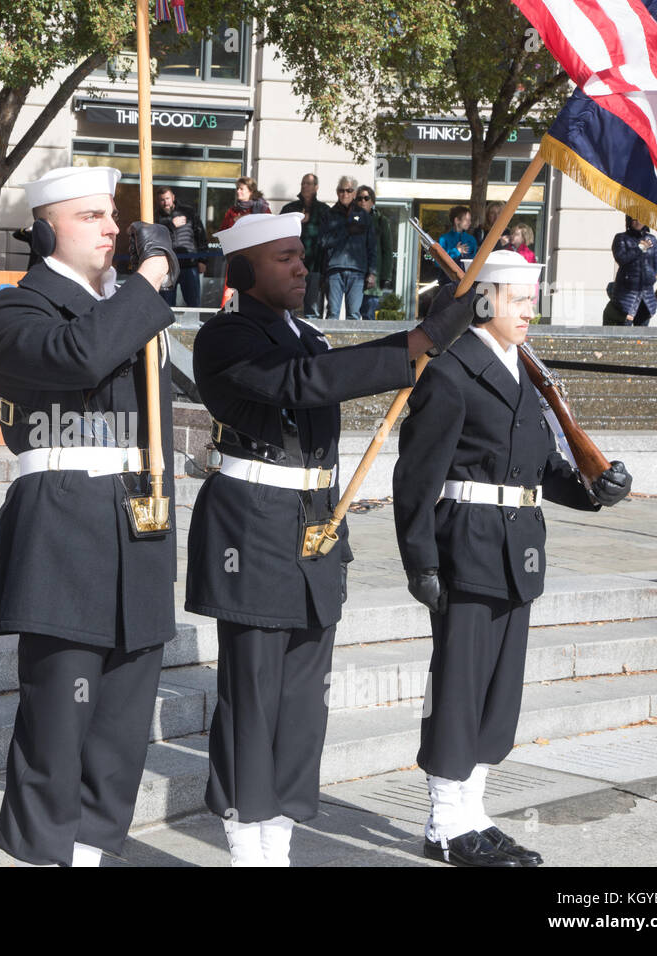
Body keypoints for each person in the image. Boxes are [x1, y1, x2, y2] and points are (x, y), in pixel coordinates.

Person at [185, 212, 479, 866]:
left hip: (315, 520)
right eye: (284, 257)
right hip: (252, 521)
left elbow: (347, 370)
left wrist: (444, 334)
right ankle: (246, 841)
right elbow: (302, 384)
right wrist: (424, 334)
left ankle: (280, 838)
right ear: (245, 270)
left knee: (302, 701)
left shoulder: (308, 334)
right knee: (254, 696)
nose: (300, 267)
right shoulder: (227, 337)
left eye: (300, 256)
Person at [393, 249, 632, 867]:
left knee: (498, 694)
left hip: (518, 547)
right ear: (485, 300)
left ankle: (474, 812)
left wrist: (592, 489)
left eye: (533, 298)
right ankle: (445, 822)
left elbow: (542, 465)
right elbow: (416, 475)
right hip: (466, 543)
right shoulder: (450, 371)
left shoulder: (522, 370)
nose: (531, 309)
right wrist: (419, 558)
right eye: (520, 299)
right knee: (460, 686)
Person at [0, 165, 178, 867]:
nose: (113, 227)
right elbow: (80, 355)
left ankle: (92, 857)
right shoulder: (12, 309)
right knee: (55, 733)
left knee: (121, 738)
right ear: (42, 231)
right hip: (62, 536)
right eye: (91, 215)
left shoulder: (130, 308)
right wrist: (148, 282)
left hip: (137, 533)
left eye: (113, 215)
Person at [318, 175, 377, 320]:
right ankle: (327, 343)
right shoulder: (328, 215)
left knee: (354, 315)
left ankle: (355, 344)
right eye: (341, 190)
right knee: (332, 313)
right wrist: (346, 230)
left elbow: (372, 247)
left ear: (355, 193)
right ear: (337, 192)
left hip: (357, 271)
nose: (345, 194)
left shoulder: (364, 216)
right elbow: (322, 242)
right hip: (334, 269)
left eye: (349, 190)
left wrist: (372, 272)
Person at [281, 173, 331, 320]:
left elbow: (328, 240)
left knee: (312, 309)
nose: (304, 186)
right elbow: (280, 235)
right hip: (291, 266)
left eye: (308, 183)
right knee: (289, 307)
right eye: (303, 183)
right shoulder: (290, 209)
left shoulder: (324, 210)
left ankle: (312, 340)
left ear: (316, 187)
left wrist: (325, 268)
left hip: (315, 266)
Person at [156, 185, 209, 308]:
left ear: (173, 197)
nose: (165, 203)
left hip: (189, 264)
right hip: (168, 267)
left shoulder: (188, 212)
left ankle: (194, 327)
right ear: (158, 201)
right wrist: (171, 225)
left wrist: (203, 260)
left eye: (167, 198)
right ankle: (168, 328)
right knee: (166, 304)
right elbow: (154, 237)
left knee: (193, 303)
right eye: (162, 200)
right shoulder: (156, 217)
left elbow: (200, 234)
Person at [610, 216, 657, 326]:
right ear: (629, 221)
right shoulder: (621, 238)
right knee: (625, 326)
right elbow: (621, 258)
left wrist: (656, 275)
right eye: (635, 219)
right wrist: (640, 248)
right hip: (627, 292)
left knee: (643, 328)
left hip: (646, 293)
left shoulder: (651, 239)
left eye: (641, 218)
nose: (639, 221)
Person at [356, 186, 395, 320]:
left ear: (372, 201)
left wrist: (386, 276)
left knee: (368, 314)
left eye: (366, 198)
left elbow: (387, 250)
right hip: (355, 275)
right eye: (359, 198)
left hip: (374, 278)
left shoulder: (381, 221)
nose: (362, 201)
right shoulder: (352, 220)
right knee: (354, 314)